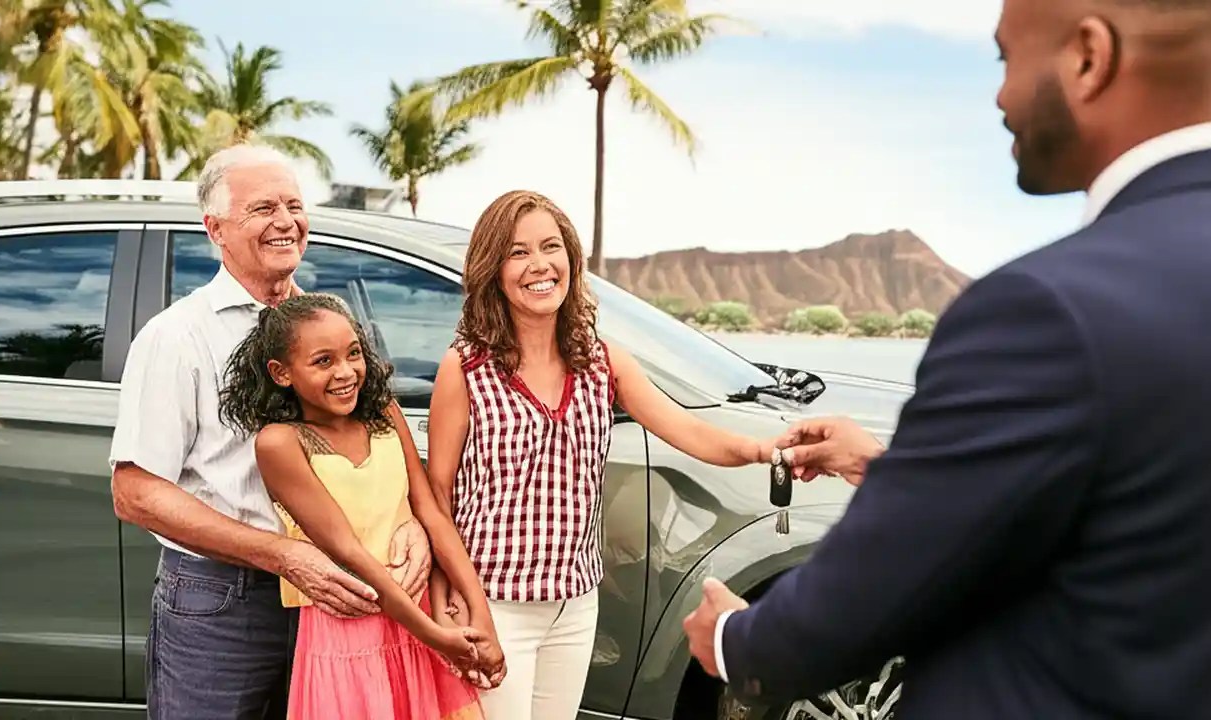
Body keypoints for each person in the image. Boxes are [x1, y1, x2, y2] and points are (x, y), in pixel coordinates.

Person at [684, 0, 1211, 717]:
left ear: (1088, 57)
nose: (998, 95)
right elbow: (1156, 497)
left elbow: (859, 603)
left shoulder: (1042, 307)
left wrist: (733, 640)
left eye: (1004, 58)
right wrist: (883, 467)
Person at [426, 189, 777, 720]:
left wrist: (763, 449)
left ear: (571, 258)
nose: (539, 265)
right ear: (492, 269)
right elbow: (438, 492)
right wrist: (448, 596)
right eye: (517, 252)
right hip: (493, 603)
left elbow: (687, 431)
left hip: (573, 606)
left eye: (551, 247)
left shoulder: (601, 362)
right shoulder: (466, 369)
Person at [109, 144, 431, 718]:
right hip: (225, 602)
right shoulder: (177, 337)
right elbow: (135, 493)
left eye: (293, 205)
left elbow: (376, 439)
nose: (285, 221)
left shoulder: (329, 327)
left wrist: (411, 522)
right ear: (216, 229)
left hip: (336, 597)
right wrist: (284, 556)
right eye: (262, 209)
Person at [217, 292, 501, 720]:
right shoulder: (281, 443)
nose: (346, 372)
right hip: (349, 637)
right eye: (323, 361)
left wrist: (481, 618)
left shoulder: (384, 414)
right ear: (281, 373)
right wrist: (434, 636)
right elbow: (346, 551)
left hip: (419, 616)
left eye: (353, 354)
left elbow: (430, 512)